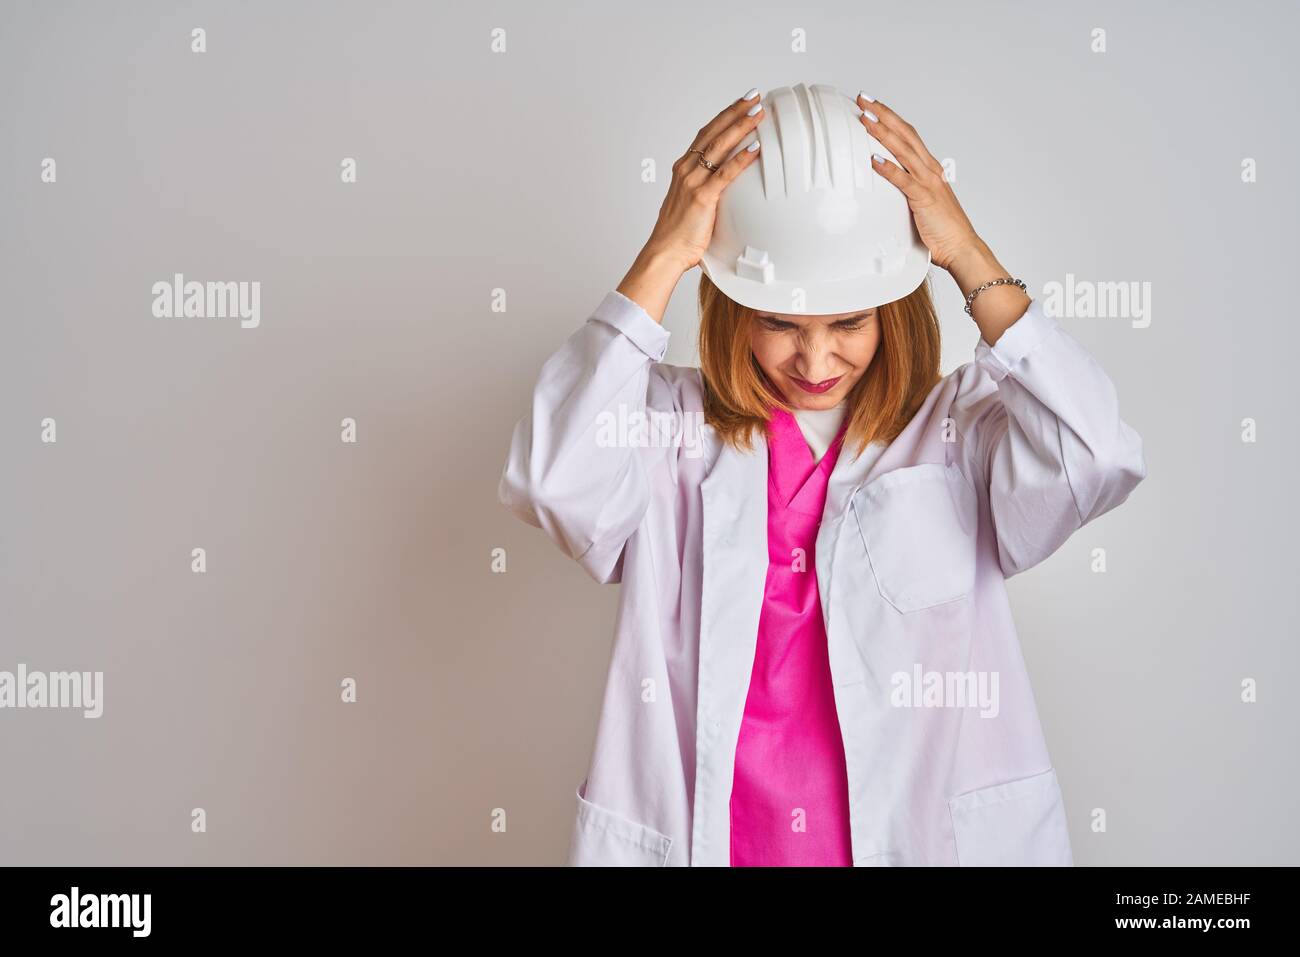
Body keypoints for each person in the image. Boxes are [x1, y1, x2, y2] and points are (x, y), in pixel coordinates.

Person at [498, 83, 1147, 866]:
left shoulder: (959, 431)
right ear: (734, 308)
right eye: (779, 322)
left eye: (847, 322)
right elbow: (549, 478)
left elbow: (1097, 452)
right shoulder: (668, 428)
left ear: (894, 308)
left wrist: (968, 255)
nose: (814, 361)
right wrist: (666, 253)